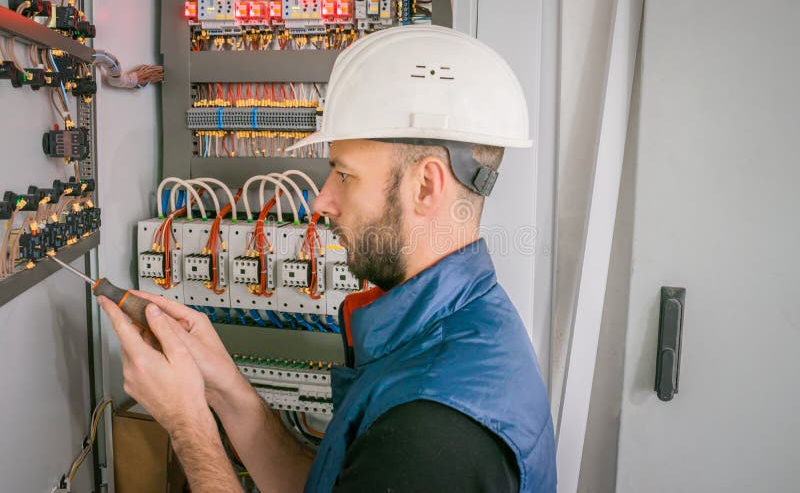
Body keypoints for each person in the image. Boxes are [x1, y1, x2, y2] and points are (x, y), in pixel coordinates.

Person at [99, 25, 556, 493]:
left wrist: (188, 425)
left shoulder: (436, 434)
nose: (321, 201)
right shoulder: (450, 332)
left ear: (426, 186)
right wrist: (223, 388)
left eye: (344, 174)